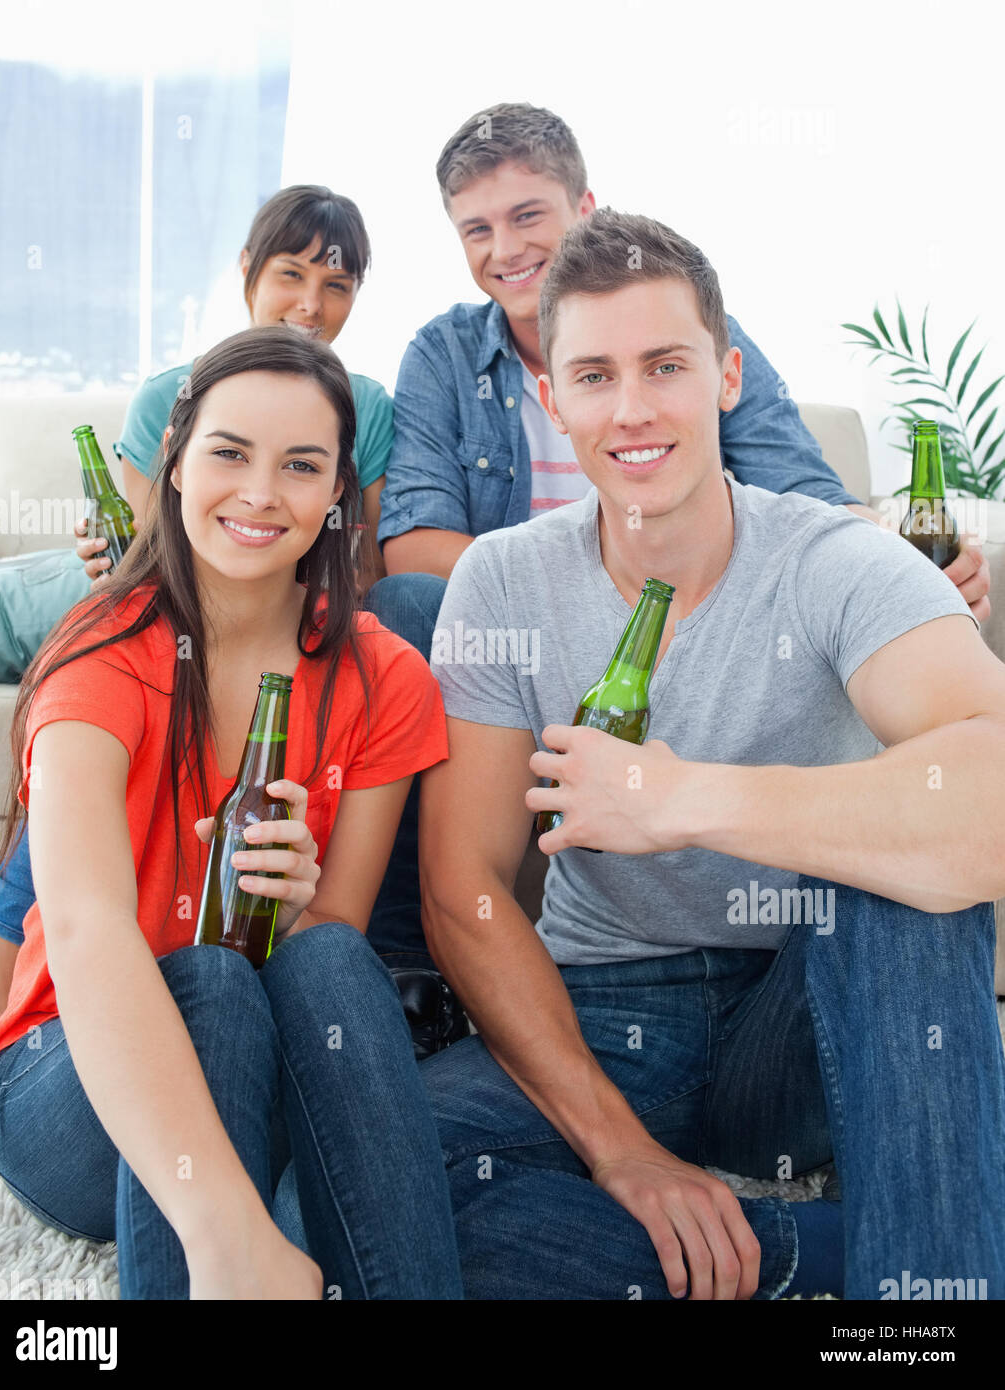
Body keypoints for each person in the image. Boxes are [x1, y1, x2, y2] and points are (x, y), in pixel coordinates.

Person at [415, 210, 1005, 1300]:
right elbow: (463, 891)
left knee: (901, 887)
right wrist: (619, 1152)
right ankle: (802, 1256)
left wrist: (686, 798)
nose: (631, 408)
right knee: (378, 1190)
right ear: (555, 404)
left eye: (665, 366)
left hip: (805, 1009)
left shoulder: (833, 559)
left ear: (727, 376)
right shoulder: (499, 582)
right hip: (602, 1012)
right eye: (593, 375)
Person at [363, 101, 991, 966]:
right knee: (406, 601)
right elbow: (417, 538)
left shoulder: (700, 331)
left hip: (788, 945)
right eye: (477, 228)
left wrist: (895, 573)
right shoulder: (443, 356)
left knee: (913, 886)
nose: (504, 249)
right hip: (529, 630)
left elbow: (806, 489)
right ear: (555, 394)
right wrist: (549, 588)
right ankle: (406, 973)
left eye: (527, 216)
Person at [0, 326, 463, 1300]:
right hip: (68, 1088)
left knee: (323, 956)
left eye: (301, 466)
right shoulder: (102, 649)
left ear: (336, 500)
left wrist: (304, 899)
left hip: (250, 1070)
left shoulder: (385, 676)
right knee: (205, 980)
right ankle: (222, 1256)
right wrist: (230, 1232)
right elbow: (82, 924)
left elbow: (328, 962)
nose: (259, 492)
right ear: (176, 463)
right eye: (229, 452)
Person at [0, 185, 396, 1049]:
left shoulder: (367, 406)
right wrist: (112, 569)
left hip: (259, 600)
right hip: (114, 595)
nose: (311, 302)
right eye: (290, 273)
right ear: (247, 272)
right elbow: (146, 558)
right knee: (45, 663)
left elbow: (362, 561)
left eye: (337, 285)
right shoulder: (172, 393)